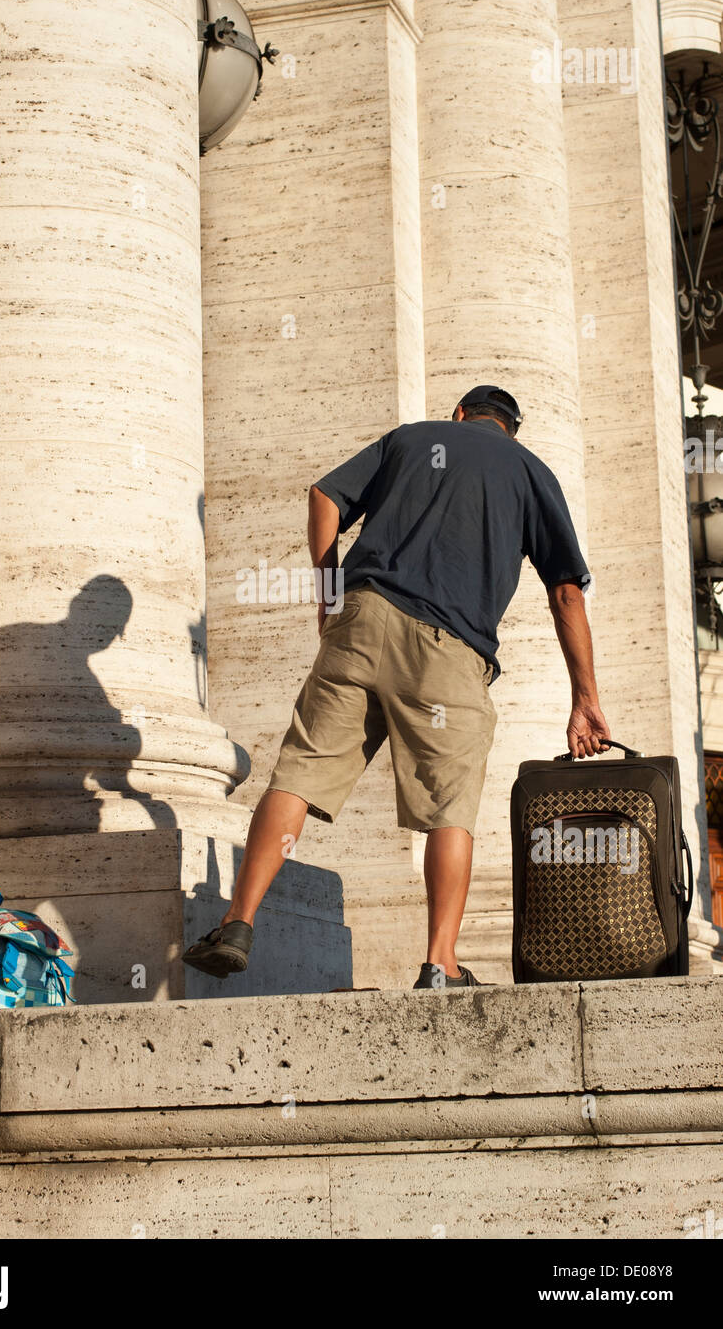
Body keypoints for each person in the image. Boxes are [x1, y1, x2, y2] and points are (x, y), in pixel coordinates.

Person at [183, 385, 611, 987]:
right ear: (511, 430)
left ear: (459, 413)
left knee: (300, 774)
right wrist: (585, 700)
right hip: (449, 652)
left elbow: (324, 496)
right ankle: (440, 962)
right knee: (449, 808)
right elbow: (566, 591)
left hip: (362, 621)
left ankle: (237, 921)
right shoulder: (530, 472)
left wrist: (329, 600)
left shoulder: (413, 438)